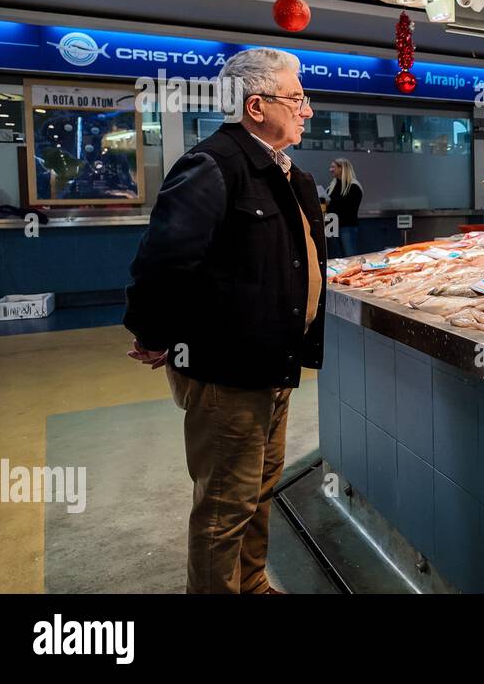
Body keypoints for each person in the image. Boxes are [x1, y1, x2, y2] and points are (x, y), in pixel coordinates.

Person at [123, 47, 324, 594]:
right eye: (298, 98)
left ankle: (253, 585)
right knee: (223, 505)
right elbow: (164, 259)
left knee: (260, 491)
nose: (307, 110)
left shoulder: (285, 174)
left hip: (273, 365)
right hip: (228, 372)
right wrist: (153, 334)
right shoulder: (214, 164)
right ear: (256, 106)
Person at [325, 158, 363, 258]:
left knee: (349, 256)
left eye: (333, 167)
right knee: (335, 257)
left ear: (342, 168)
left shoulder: (353, 187)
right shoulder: (331, 187)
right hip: (331, 226)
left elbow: (348, 208)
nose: (331, 170)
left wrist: (331, 204)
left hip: (346, 226)